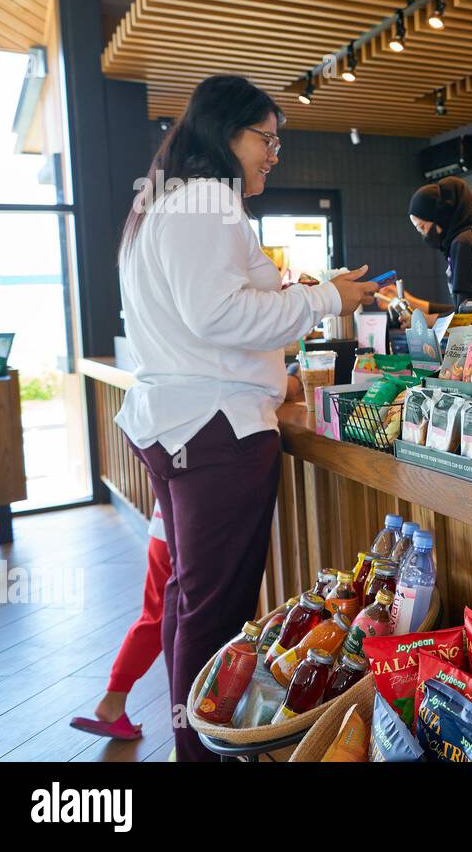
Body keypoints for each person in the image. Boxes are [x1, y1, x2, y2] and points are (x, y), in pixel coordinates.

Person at [115, 75, 378, 761]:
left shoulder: (167, 205)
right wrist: (325, 299)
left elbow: (209, 315)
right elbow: (219, 315)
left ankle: (188, 741)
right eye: (266, 138)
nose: (274, 153)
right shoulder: (207, 202)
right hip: (215, 431)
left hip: (180, 426)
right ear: (224, 135)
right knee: (213, 610)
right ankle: (201, 752)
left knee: (189, 599)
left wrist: (300, 311)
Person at [69, 502, 170, 742]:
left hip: (163, 526)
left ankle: (114, 697)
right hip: (184, 530)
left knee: (155, 618)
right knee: (186, 621)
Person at [408, 175, 472, 312]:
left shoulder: (462, 244)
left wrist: (427, 321)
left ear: (440, 218)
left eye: (422, 227)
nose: (423, 234)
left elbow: (467, 316)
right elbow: (462, 307)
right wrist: (416, 304)